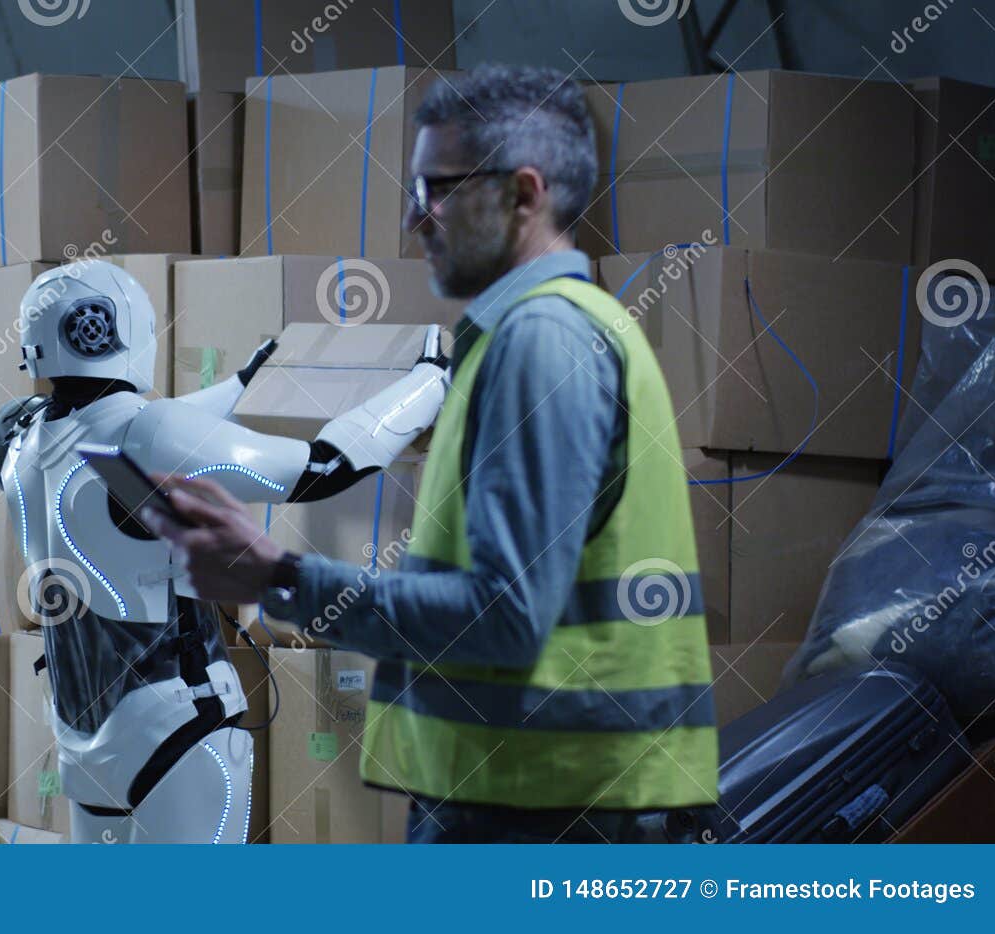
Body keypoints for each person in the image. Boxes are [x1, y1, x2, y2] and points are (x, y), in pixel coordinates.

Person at [147, 64, 720, 843]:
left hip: (544, 813)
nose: (417, 221)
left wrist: (276, 575)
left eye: (437, 190)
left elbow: (503, 616)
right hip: (535, 798)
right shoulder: (528, 337)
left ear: (524, 194)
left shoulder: (540, 343)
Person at [0, 260, 447, 844]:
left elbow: (125, 428)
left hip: (82, 734)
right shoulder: (146, 434)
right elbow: (324, 466)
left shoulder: (15, 439)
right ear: (114, 330)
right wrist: (430, 382)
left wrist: (240, 384)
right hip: (176, 725)